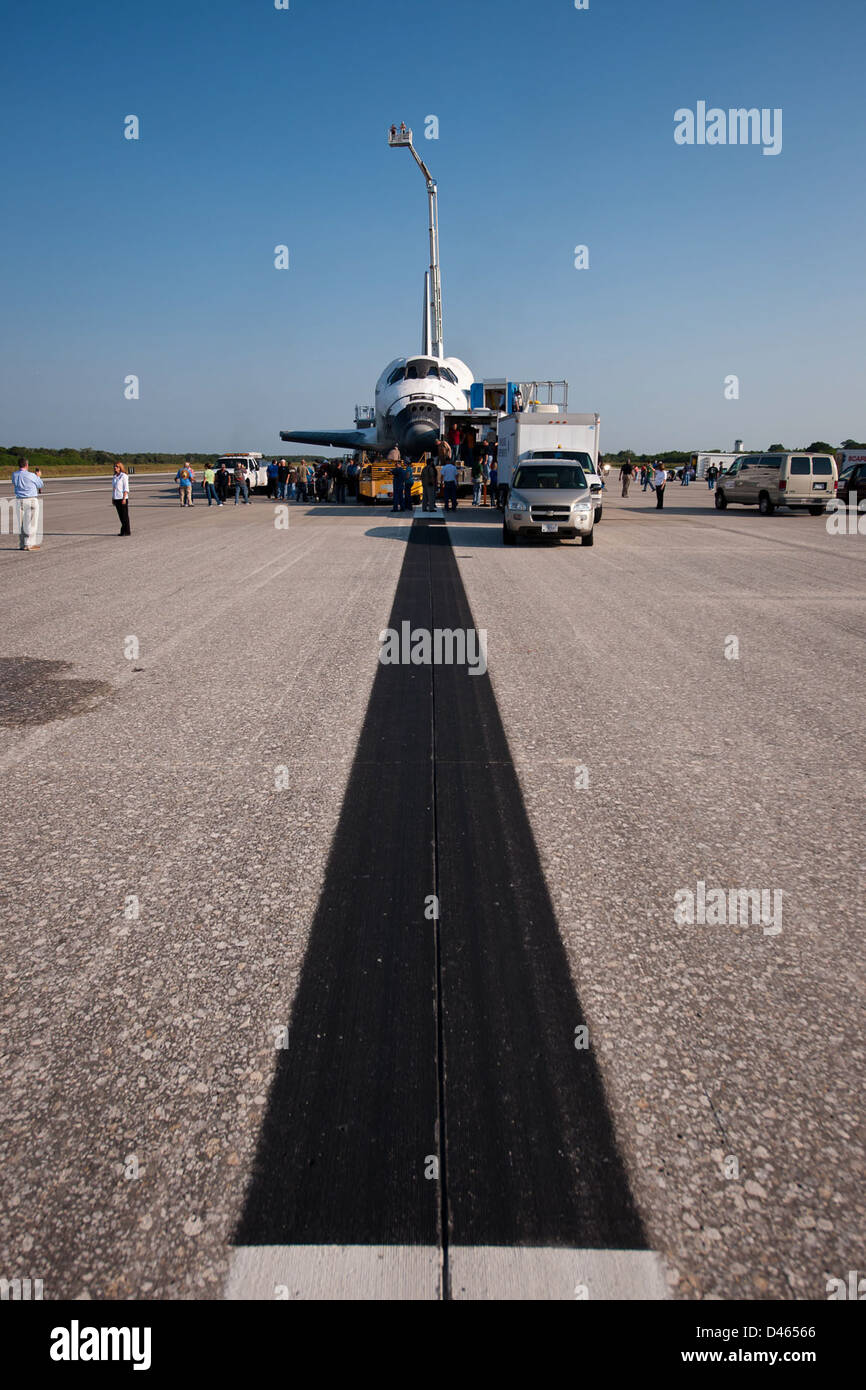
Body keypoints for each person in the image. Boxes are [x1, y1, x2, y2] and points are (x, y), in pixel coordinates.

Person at [11, 456, 44, 550]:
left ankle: (22, 544)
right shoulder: (31, 475)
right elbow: (40, 484)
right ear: (27, 465)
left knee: (21, 523)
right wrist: (38, 476)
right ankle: (29, 544)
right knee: (31, 523)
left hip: (19, 500)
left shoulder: (14, 474)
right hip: (30, 500)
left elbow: (14, 482)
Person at [112, 460, 131, 534]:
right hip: (116, 498)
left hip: (122, 498)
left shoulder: (124, 476)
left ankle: (125, 531)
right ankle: (125, 530)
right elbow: (113, 488)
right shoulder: (114, 477)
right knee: (120, 516)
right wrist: (113, 498)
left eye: (116, 466)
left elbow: (126, 488)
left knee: (125, 516)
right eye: (114, 466)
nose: (115, 468)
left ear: (120, 468)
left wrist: (124, 498)